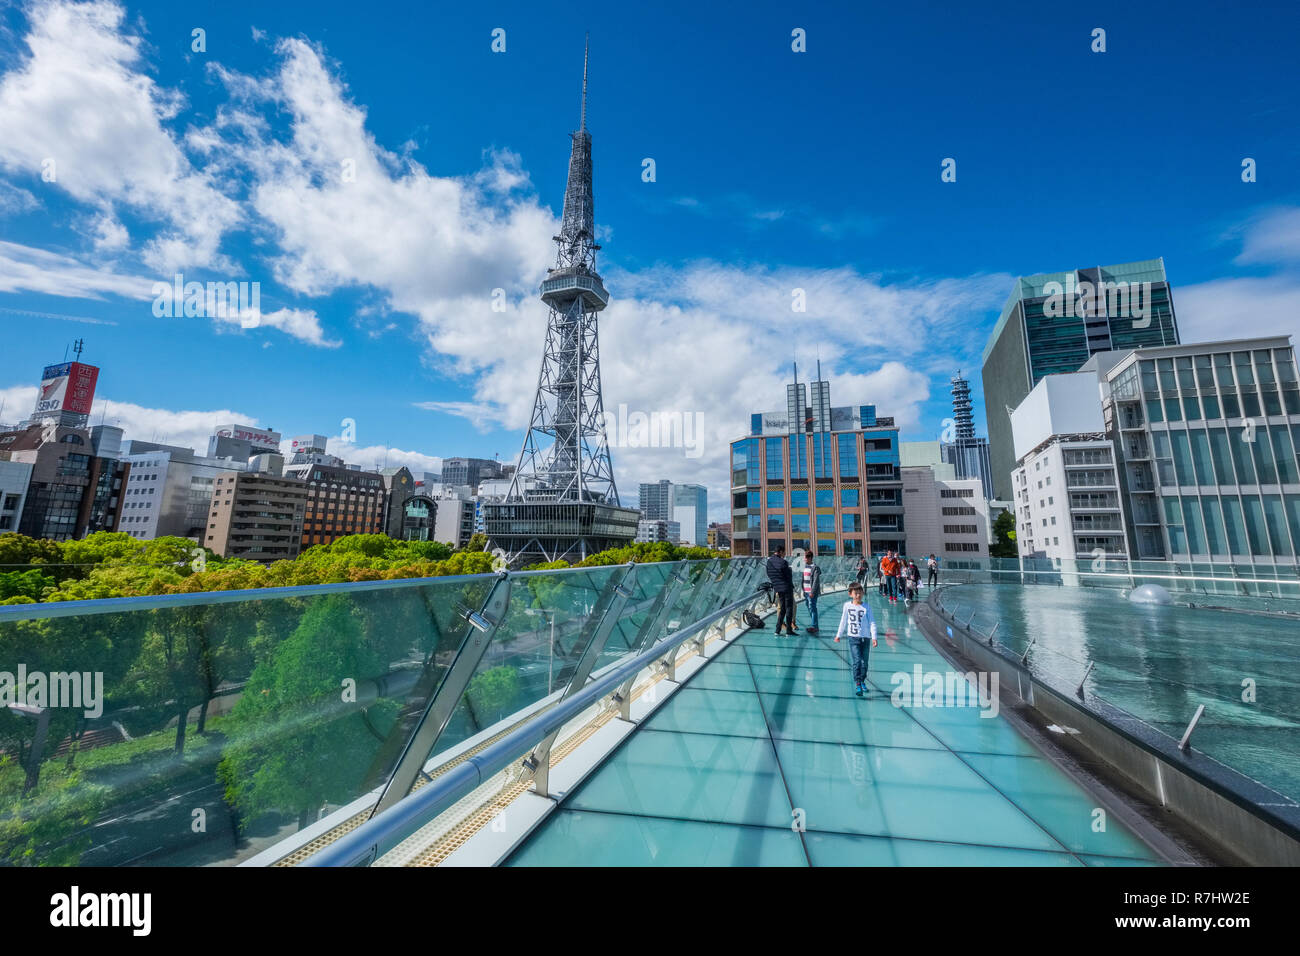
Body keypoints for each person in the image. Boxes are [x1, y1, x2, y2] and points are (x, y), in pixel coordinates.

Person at [833, 581, 878, 697]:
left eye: (860, 593)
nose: (858, 595)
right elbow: (843, 621)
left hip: (865, 638)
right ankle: (858, 683)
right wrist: (839, 635)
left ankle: (862, 680)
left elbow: (872, 622)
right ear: (850, 594)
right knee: (857, 661)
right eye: (856, 593)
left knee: (865, 663)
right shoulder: (847, 606)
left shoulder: (866, 607)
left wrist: (874, 637)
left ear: (863, 593)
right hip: (853, 638)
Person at [765, 544, 796, 636]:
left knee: (782, 608)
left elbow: (769, 573)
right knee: (789, 608)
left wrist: (776, 583)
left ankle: (777, 630)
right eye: (784, 552)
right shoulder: (783, 562)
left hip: (777, 587)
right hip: (786, 587)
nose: (784, 554)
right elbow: (788, 576)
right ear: (781, 552)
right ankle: (789, 631)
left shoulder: (769, 562)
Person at [802, 554, 822, 634]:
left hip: (811, 592)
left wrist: (812, 592)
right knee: (809, 607)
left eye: (805, 558)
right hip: (806, 592)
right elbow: (803, 579)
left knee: (813, 608)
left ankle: (814, 627)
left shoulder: (815, 568)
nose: (804, 559)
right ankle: (815, 625)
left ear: (809, 558)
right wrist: (803, 590)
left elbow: (816, 581)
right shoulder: (805, 567)